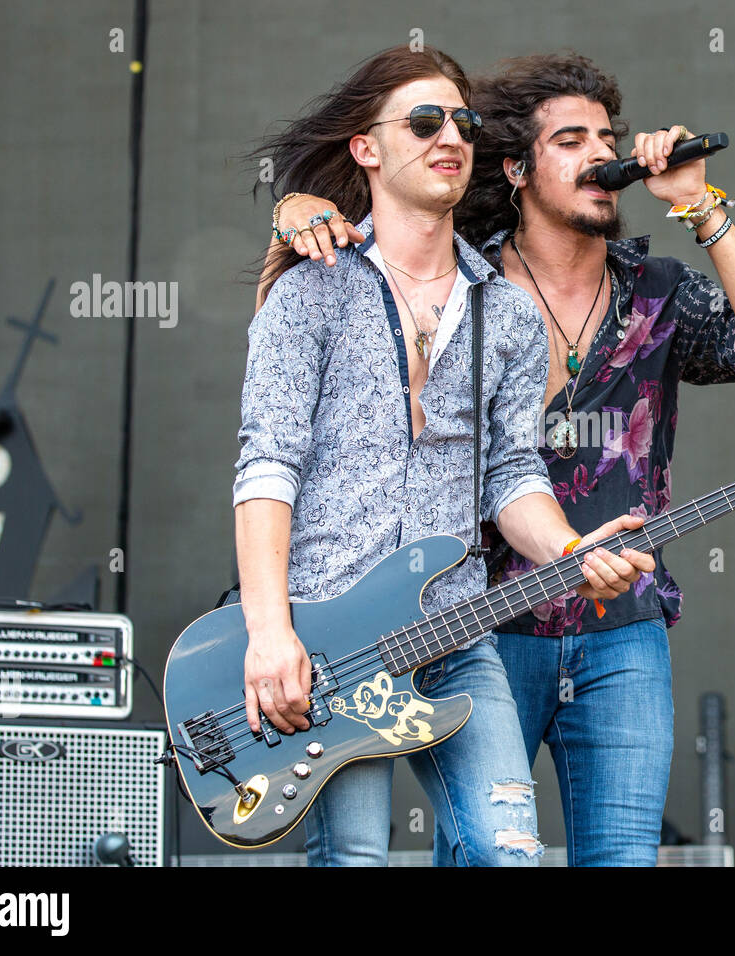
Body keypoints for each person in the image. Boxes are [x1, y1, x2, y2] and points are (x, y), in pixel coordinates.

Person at [269, 52, 735, 865]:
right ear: (517, 168)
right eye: (571, 139)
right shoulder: (467, 283)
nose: (601, 152)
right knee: (480, 851)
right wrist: (295, 211)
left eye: (607, 136)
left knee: (620, 855)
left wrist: (699, 204)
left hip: (621, 625)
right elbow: (378, 241)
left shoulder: (655, 289)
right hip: (483, 618)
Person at [237, 45, 653, 867]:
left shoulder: (506, 312)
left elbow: (511, 476)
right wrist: (268, 632)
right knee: (353, 856)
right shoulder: (312, 288)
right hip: (323, 633)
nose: (449, 137)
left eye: (461, 122)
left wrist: (570, 552)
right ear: (367, 147)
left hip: (452, 632)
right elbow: (267, 467)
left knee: (509, 850)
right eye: (424, 122)